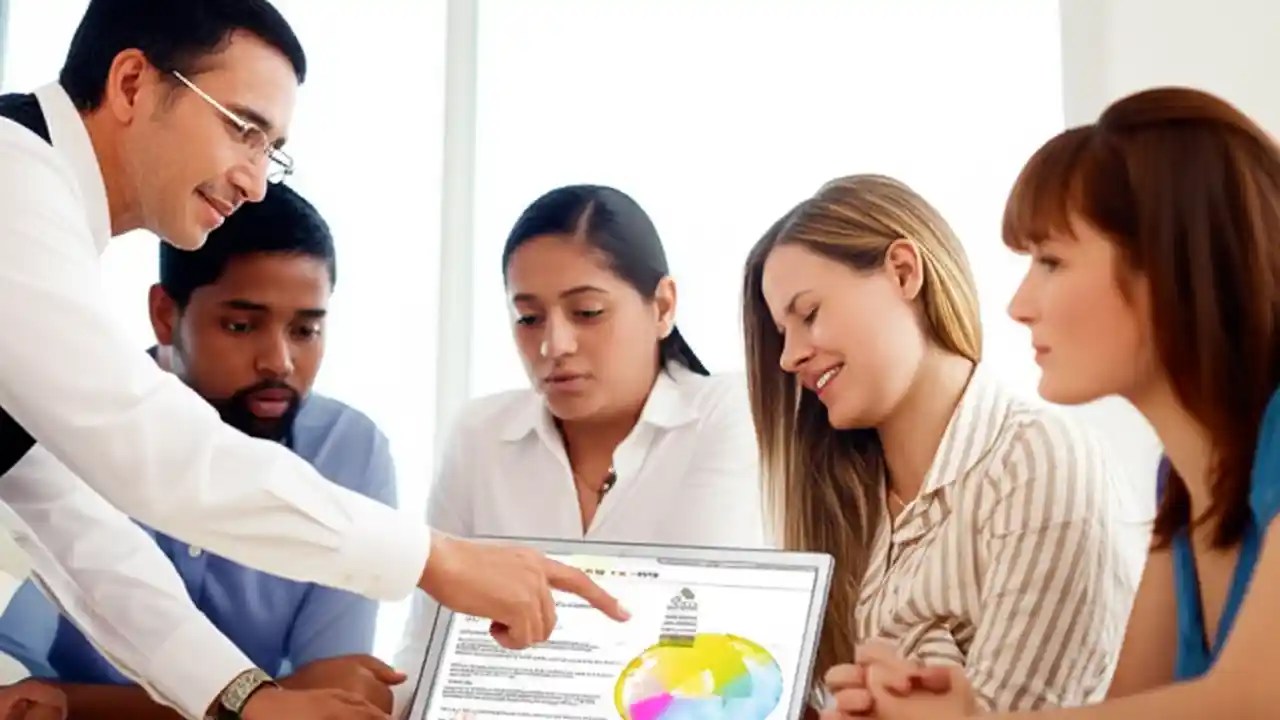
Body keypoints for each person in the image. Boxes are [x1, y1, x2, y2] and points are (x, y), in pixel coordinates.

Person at [0, 1, 623, 718]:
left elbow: (70, 524)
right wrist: (436, 560)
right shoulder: (12, 182)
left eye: (271, 148)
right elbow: (156, 450)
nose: (257, 181)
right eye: (242, 129)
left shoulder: (39, 212)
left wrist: (249, 700)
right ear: (134, 83)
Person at [840, 87, 1280, 720]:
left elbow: (1252, 702)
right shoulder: (1180, 486)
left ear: (1168, 261)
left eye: (1051, 260)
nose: (1020, 304)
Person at [0, 184, 411, 716]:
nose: (279, 361)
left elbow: (339, 693)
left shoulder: (349, 450)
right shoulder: (66, 419)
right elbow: (21, 696)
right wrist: (263, 704)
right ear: (166, 315)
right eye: (241, 326)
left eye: (306, 329)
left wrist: (86, 705)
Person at [741, 175, 1139, 715]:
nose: (788, 357)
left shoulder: (1037, 464)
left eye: (809, 314)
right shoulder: (847, 504)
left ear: (904, 272)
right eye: (781, 332)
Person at [391, 184, 766, 716]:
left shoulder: (727, 414)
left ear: (662, 306)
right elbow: (428, 648)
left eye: (587, 312)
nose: (554, 345)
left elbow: (693, 634)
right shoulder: (479, 435)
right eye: (528, 317)